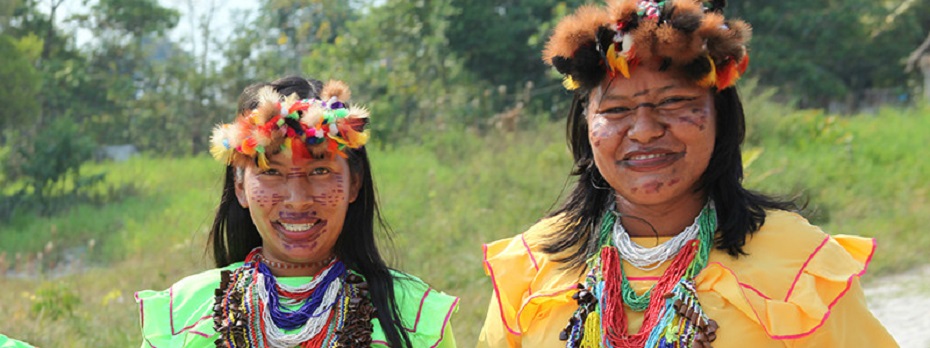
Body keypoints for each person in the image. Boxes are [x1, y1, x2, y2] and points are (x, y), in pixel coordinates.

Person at [478, 1, 897, 347]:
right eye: (616, 110)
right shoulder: (532, 265)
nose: (644, 130)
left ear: (721, 117)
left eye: (675, 101)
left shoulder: (800, 265)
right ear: (586, 129)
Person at [135, 76, 458, 347]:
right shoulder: (183, 314)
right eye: (271, 173)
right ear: (240, 188)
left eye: (319, 171)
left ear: (354, 183)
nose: (297, 199)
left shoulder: (413, 315)